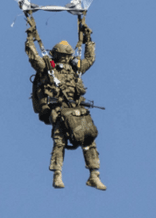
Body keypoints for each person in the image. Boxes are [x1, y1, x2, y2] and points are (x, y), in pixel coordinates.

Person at [25, 13, 106, 190]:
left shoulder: (75, 68)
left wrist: (88, 38)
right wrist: (30, 38)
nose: (64, 60)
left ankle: (93, 175)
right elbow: (34, 59)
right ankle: (58, 175)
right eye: (62, 57)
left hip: (77, 111)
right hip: (59, 111)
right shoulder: (47, 68)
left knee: (88, 138)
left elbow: (90, 59)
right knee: (60, 141)